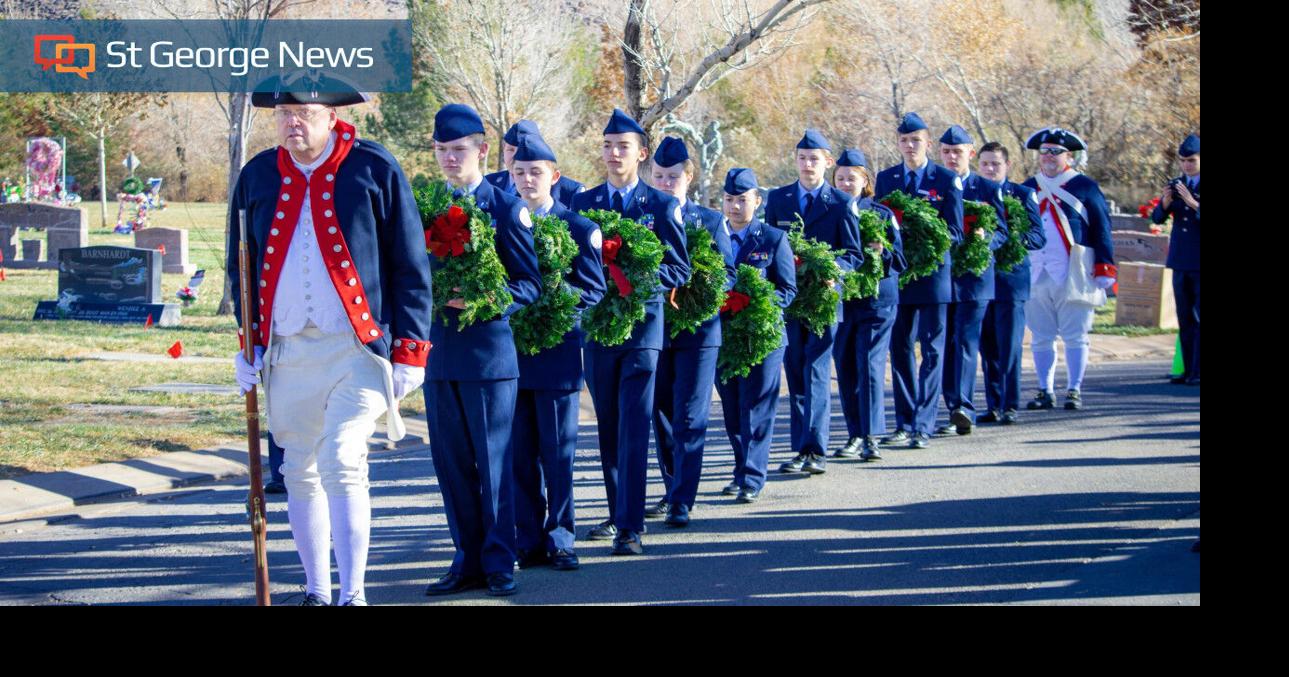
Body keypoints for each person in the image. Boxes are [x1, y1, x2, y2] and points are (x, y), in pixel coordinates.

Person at [229, 71, 433, 606]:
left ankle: (354, 594)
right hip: (288, 350)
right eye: (283, 116)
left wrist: (411, 350)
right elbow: (240, 269)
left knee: (344, 457)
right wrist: (248, 344)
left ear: (332, 117)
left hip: (357, 350)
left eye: (305, 114)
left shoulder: (373, 168)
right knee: (299, 468)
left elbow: (410, 265)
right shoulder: (257, 176)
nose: (292, 124)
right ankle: (318, 590)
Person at [422, 103, 542, 597]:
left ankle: (498, 562)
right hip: (439, 357)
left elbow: (529, 285)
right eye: (443, 150)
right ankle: (466, 559)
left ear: (482, 150)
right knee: (451, 468)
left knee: (494, 468)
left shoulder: (504, 207)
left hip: (490, 360)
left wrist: (483, 300)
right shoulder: (424, 206)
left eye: (460, 150)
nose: (451, 159)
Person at [570, 109, 689, 555]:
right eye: (607, 146)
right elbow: (573, 267)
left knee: (636, 425)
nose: (614, 154)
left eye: (623, 146)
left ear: (641, 153)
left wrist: (634, 274)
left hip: (643, 331)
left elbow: (680, 267)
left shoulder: (660, 205)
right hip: (599, 330)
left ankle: (631, 527)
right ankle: (618, 510)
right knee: (609, 427)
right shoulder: (583, 205)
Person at [508, 133, 606, 571]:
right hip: (510, 358)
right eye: (519, 173)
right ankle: (527, 538)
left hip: (558, 356)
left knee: (558, 453)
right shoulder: (501, 222)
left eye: (536, 173)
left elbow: (594, 291)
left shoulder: (578, 227)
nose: (528, 180)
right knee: (519, 455)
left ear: (554, 176)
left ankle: (561, 535)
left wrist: (552, 291)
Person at [647, 136, 736, 527]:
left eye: (674, 177)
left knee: (690, 414)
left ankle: (683, 498)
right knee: (662, 415)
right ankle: (671, 488)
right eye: (660, 176)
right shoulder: (642, 218)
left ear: (690, 177)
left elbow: (728, 274)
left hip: (699, 331)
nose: (667, 184)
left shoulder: (710, 220)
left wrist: (699, 286)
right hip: (655, 330)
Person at [764, 129, 864, 475]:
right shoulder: (778, 199)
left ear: (828, 162)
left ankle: (816, 449)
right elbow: (767, 247)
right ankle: (800, 447)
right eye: (803, 158)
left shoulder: (839, 202)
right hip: (789, 301)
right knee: (795, 372)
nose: (808, 165)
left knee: (817, 372)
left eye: (815, 159)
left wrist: (832, 271)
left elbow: (854, 255)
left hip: (822, 301)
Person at [873, 112, 965, 449]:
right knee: (900, 350)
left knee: (932, 349)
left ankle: (924, 424)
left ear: (927, 143)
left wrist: (926, 241)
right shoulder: (887, 179)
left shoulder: (945, 179)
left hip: (933, 276)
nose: (910, 146)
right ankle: (905, 421)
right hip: (900, 277)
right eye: (904, 141)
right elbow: (880, 224)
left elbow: (956, 231)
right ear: (897, 144)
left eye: (916, 141)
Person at [715, 168, 797, 502]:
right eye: (730, 199)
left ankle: (753, 477)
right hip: (724, 339)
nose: (735, 207)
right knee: (733, 409)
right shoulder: (711, 236)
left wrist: (755, 302)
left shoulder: (773, 238)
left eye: (743, 200)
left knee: (758, 408)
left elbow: (787, 290)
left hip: (763, 337)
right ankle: (740, 470)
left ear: (757, 201)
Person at [1022, 127, 1117, 410]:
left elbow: (1102, 228)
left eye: (1056, 152)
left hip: (1074, 272)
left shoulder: (1084, 186)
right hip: (1036, 272)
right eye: (1045, 151)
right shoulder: (1029, 186)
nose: (1049, 157)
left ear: (1069, 157)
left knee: (1076, 335)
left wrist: (1104, 267)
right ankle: (1045, 389)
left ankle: (1074, 389)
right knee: (1041, 336)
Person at [830, 149, 905, 461]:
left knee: (869, 366)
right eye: (841, 178)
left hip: (877, 301)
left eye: (852, 178)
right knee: (845, 366)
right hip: (842, 300)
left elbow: (900, 259)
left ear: (865, 181)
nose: (846, 183)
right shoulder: (829, 212)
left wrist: (881, 251)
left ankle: (872, 436)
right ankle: (854, 434)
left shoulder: (882, 214)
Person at [935, 125, 1009, 437]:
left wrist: (984, 240)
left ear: (971, 153)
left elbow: (1002, 231)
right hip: (942, 278)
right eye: (947, 152)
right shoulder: (934, 184)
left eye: (958, 151)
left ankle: (962, 407)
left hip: (975, 280)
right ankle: (952, 402)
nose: (952, 157)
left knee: (965, 341)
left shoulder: (987, 188)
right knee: (943, 343)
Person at [976, 141, 1046, 424]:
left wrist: (1010, 238)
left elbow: (1038, 237)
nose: (990, 169)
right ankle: (993, 404)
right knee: (987, 346)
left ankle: (1010, 404)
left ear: (1007, 166)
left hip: (1011, 280)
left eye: (996, 164)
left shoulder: (1022, 193)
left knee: (1009, 346)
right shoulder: (971, 192)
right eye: (985, 164)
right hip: (981, 281)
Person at [1151, 134, 1199, 386]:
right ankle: (1187, 369)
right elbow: (1157, 219)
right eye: (1182, 161)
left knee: (1199, 317)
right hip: (1180, 260)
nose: (1186, 165)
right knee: (1185, 317)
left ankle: (1198, 371)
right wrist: (1165, 202)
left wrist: (1193, 203)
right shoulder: (1176, 184)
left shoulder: (1192, 190)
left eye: (1191, 160)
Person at [485, 120, 585, 208]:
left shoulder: (571, 191)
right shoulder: (487, 183)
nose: (516, 156)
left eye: (520, 150)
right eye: (510, 150)